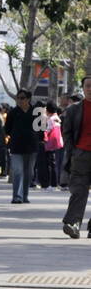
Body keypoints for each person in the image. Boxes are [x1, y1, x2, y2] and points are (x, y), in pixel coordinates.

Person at [60, 77, 91, 237]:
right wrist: (73, 152)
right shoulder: (74, 110)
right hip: (81, 155)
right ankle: (73, 223)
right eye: (88, 86)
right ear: (83, 88)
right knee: (78, 190)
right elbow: (66, 133)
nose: (90, 88)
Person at [6, 89, 40, 203]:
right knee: (18, 171)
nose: (19, 100)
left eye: (22, 98)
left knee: (28, 173)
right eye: (18, 98)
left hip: (32, 147)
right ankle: (17, 196)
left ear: (28, 99)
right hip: (16, 147)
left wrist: (38, 139)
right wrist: (15, 136)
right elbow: (7, 129)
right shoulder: (13, 112)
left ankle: (24, 196)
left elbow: (42, 129)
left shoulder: (37, 112)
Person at [40, 102, 62, 189]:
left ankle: (51, 184)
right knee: (54, 163)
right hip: (57, 143)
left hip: (49, 143)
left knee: (49, 164)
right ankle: (54, 183)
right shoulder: (57, 118)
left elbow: (47, 130)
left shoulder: (50, 119)